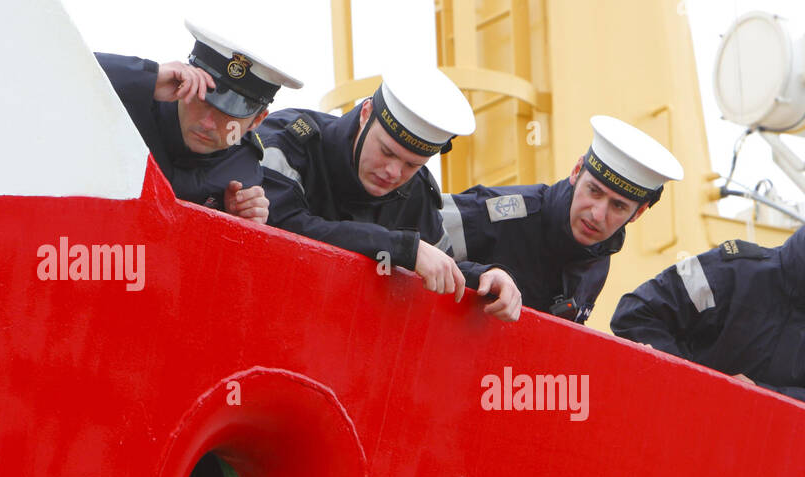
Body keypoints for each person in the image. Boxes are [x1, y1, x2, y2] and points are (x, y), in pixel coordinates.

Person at [610, 179, 805, 419]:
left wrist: (762, 396)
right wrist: (697, 384)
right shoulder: (734, 271)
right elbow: (637, 314)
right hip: (674, 424)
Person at [259, 68, 521, 321]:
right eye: (387, 152)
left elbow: (440, 265)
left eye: (412, 165)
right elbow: (281, 227)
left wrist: (486, 277)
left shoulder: (417, 191)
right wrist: (401, 248)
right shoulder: (288, 143)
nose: (393, 173)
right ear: (365, 113)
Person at [439, 116, 682, 323]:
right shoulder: (503, 213)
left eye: (618, 206)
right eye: (594, 191)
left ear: (638, 213)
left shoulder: (599, 256)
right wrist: (482, 275)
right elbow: (420, 239)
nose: (597, 214)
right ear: (576, 171)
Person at [96, 21, 301, 222]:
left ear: (257, 120)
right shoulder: (138, 94)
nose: (208, 123)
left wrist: (231, 219)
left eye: (228, 115)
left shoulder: (244, 172)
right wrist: (146, 76)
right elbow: (76, 72)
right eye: (201, 100)